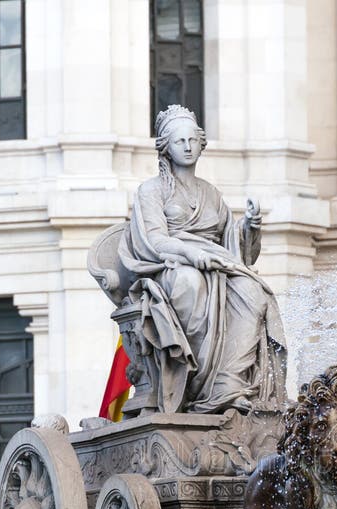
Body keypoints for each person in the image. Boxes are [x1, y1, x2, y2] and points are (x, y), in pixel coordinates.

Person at [118, 105, 287, 414]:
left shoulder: (211, 194)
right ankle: (194, 385)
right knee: (189, 283)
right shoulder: (150, 191)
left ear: (201, 144)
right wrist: (191, 254)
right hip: (169, 268)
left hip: (217, 265)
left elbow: (235, 248)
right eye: (179, 141)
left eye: (192, 140)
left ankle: (227, 384)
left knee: (253, 292)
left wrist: (251, 224)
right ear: (166, 147)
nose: (187, 146)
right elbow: (154, 241)